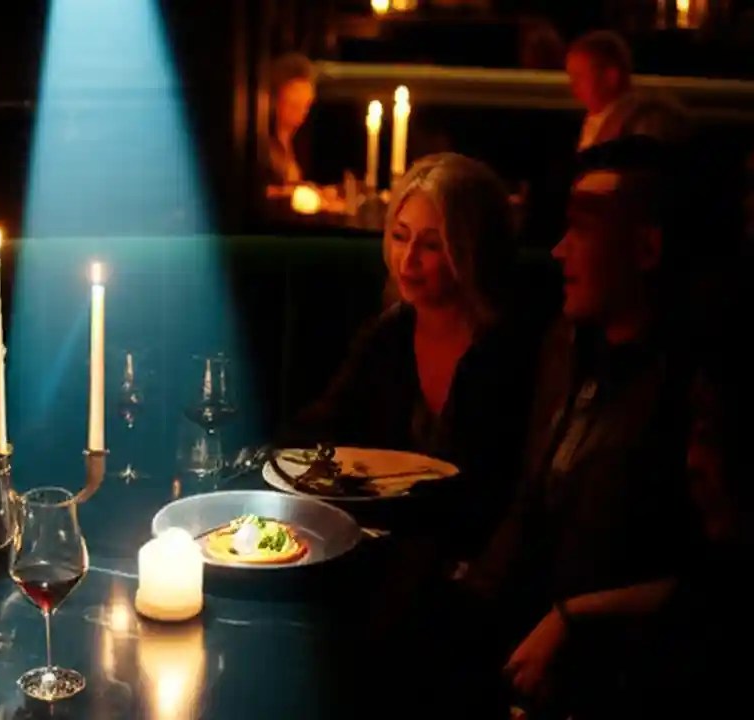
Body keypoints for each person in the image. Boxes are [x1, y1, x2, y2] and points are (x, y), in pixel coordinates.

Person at [463, 137, 701, 717]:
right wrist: (465, 607)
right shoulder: (566, 347)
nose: (560, 251)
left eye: (584, 230)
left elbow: (715, 582)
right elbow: (530, 505)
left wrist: (573, 622)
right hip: (525, 653)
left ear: (646, 248)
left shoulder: (698, 386)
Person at [288, 153, 537, 541]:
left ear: (473, 251)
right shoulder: (390, 334)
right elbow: (323, 424)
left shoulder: (514, 349)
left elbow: (518, 493)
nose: (409, 259)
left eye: (433, 245)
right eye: (401, 236)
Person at [566, 31, 688, 151]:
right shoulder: (594, 120)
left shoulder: (645, 121)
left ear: (610, 77)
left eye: (579, 77)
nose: (573, 85)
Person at [265, 53, 316, 189]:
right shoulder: (262, 145)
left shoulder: (299, 140)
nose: (302, 112)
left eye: (306, 105)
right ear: (274, 102)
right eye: (294, 105)